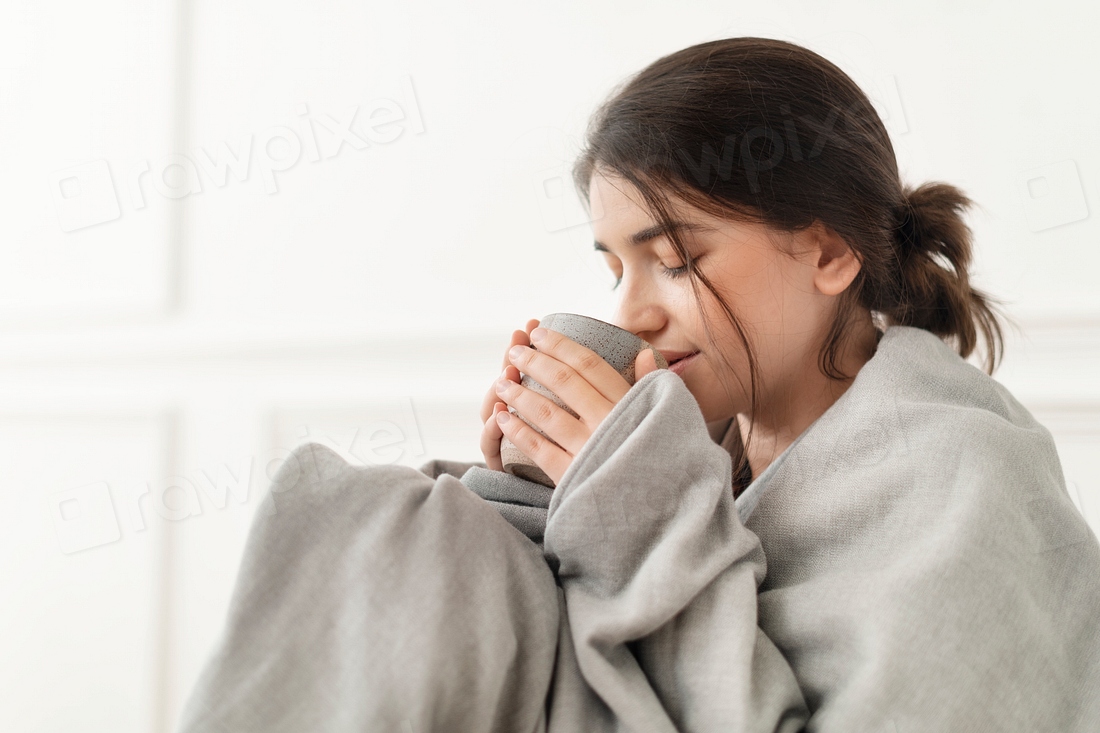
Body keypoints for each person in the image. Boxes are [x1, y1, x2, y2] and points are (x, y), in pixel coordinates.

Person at [177, 37, 1100, 732]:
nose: (635, 311)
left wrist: (632, 488)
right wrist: (536, 485)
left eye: (673, 260)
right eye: (615, 268)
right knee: (396, 523)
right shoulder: (713, 450)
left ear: (828, 252)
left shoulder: (964, 476)